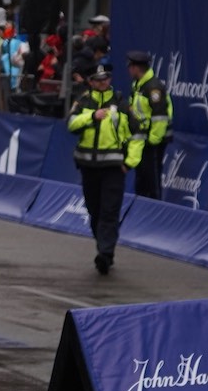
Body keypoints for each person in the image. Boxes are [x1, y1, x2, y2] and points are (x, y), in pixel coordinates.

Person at [68, 62, 136, 273]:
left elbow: (137, 135)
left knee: (109, 211)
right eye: (98, 80)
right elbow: (71, 124)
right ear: (91, 82)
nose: (102, 82)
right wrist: (91, 117)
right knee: (94, 211)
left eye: (105, 79)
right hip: (89, 166)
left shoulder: (121, 103)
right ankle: (103, 246)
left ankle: (105, 254)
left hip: (114, 167)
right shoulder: (83, 102)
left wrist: (129, 162)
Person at [125, 51, 171, 200]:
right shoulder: (138, 85)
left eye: (130, 67)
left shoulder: (153, 88)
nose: (128, 70)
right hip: (141, 138)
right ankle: (140, 206)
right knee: (142, 177)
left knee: (152, 179)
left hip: (153, 141)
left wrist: (153, 140)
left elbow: (160, 116)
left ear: (136, 68)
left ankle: (155, 210)